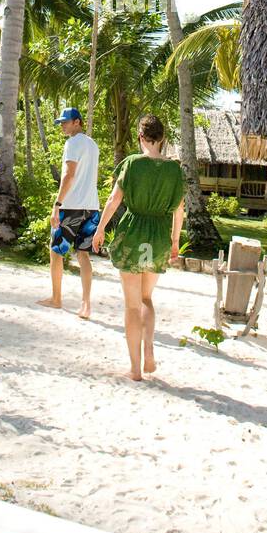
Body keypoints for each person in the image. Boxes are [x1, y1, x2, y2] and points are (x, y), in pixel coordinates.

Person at [92, 114, 185, 381]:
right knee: (146, 298)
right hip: (158, 236)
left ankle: (135, 369)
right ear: (162, 138)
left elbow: (113, 199)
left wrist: (100, 229)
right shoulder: (174, 170)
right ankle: (149, 349)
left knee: (132, 306)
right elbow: (179, 210)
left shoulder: (131, 164)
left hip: (133, 232)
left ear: (141, 137)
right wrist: (175, 241)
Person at [39, 107, 100, 320]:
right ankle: (86, 305)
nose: (63, 125)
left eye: (66, 122)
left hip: (71, 206)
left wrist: (57, 204)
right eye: (61, 122)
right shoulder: (93, 145)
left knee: (56, 252)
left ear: (77, 122)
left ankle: (56, 299)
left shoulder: (72, 143)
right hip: (91, 207)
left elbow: (69, 175)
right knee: (83, 255)